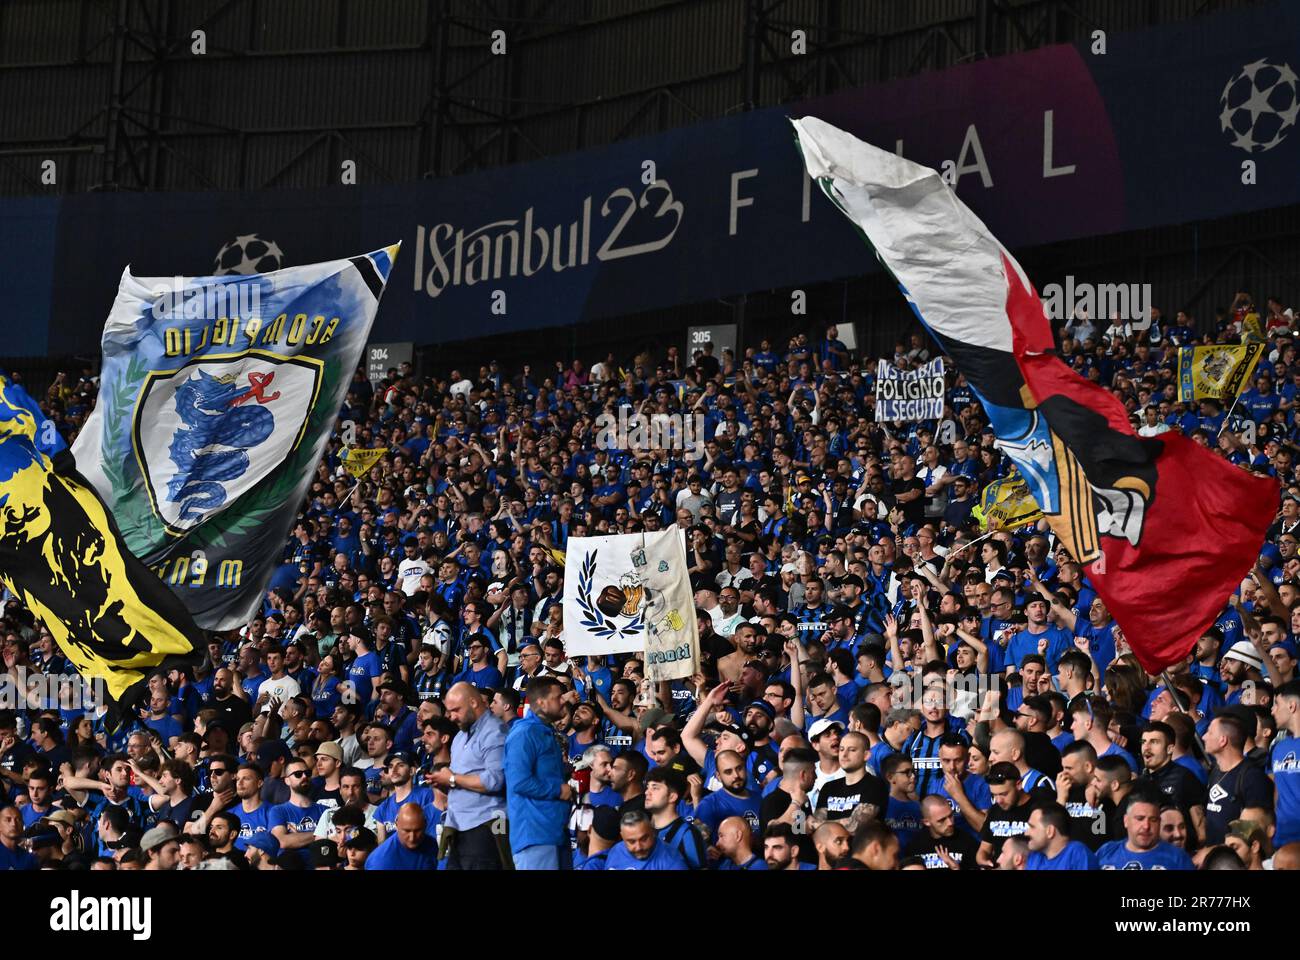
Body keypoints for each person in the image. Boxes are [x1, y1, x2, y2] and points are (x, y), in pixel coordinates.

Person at [430, 682, 510, 869]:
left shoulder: (495, 731)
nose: (452, 717)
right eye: (449, 711)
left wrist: (451, 779)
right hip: (459, 826)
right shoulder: (459, 737)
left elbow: (495, 781)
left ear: (474, 702)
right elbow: (462, 780)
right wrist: (444, 783)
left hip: (485, 827)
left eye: (456, 710)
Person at [504, 676, 573, 869]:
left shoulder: (544, 731)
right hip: (534, 834)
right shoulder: (524, 734)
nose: (563, 701)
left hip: (553, 830)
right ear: (541, 703)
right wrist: (559, 790)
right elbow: (519, 782)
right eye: (558, 697)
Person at [1097, 792, 1195, 870]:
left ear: (1159, 823)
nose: (1146, 826)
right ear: (1126, 821)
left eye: (1153, 820)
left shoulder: (1178, 858)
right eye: (1140, 819)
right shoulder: (1106, 851)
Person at [604, 809, 690, 870]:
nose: (638, 847)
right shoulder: (615, 851)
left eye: (644, 839)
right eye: (631, 841)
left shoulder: (671, 861)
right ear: (622, 837)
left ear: (653, 831)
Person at [1023, 802, 1098, 870]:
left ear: (1050, 831)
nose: (1026, 833)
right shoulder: (1035, 857)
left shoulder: (1077, 854)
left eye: (1032, 827)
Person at [364, 803, 439, 870]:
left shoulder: (431, 844)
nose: (412, 837)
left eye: (417, 830)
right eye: (407, 831)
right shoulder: (380, 862)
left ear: (425, 825)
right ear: (397, 825)